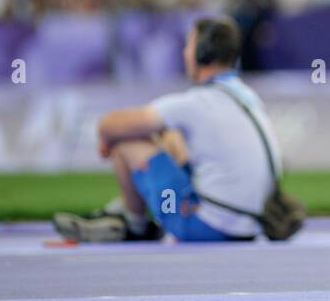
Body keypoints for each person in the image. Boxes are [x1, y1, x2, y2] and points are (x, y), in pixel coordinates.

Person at [53, 16, 284, 242]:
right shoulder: (247, 96)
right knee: (170, 138)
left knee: (127, 142)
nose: (185, 53)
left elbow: (110, 125)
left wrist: (106, 139)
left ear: (202, 52)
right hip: (252, 225)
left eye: (189, 45)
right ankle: (126, 209)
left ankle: (135, 223)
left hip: (203, 226)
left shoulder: (198, 101)